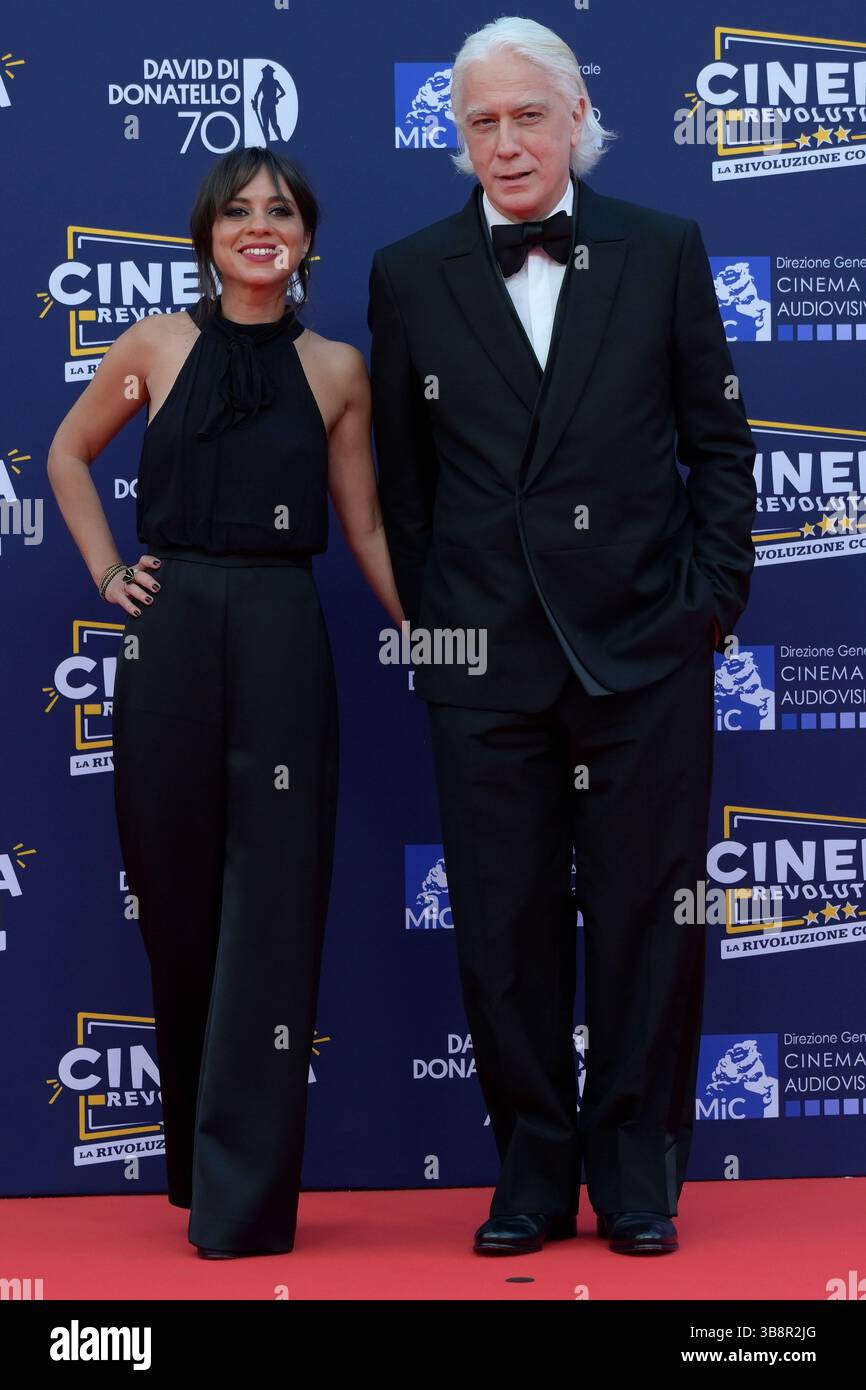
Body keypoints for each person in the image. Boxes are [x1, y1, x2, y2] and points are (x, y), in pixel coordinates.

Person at [368, 17, 756, 1256]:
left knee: (650, 914)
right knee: (501, 924)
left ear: (576, 118)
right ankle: (531, 1173)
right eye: (479, 122)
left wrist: (710, 601)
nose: (504, 143)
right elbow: (403, 482)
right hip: (482, 658)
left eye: (525, 116)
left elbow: (716, 443)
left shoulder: (660, 250)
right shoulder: (408, 272)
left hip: (643, 644)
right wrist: (441, 625)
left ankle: (635, 1173)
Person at [48, 146, 402, 1257]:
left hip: (283, 631)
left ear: (305, 238)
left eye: (281, 211)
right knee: (178, 892)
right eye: (239, 211)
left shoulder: (340, 368)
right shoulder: (154, 344)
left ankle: (245, 1198)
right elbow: (66, 452)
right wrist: (111, 573)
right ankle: (197, 1160)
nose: (260, 225)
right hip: (174, 628)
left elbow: (368, 527)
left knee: (275, 901)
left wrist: (431, 634)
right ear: (208, 234)